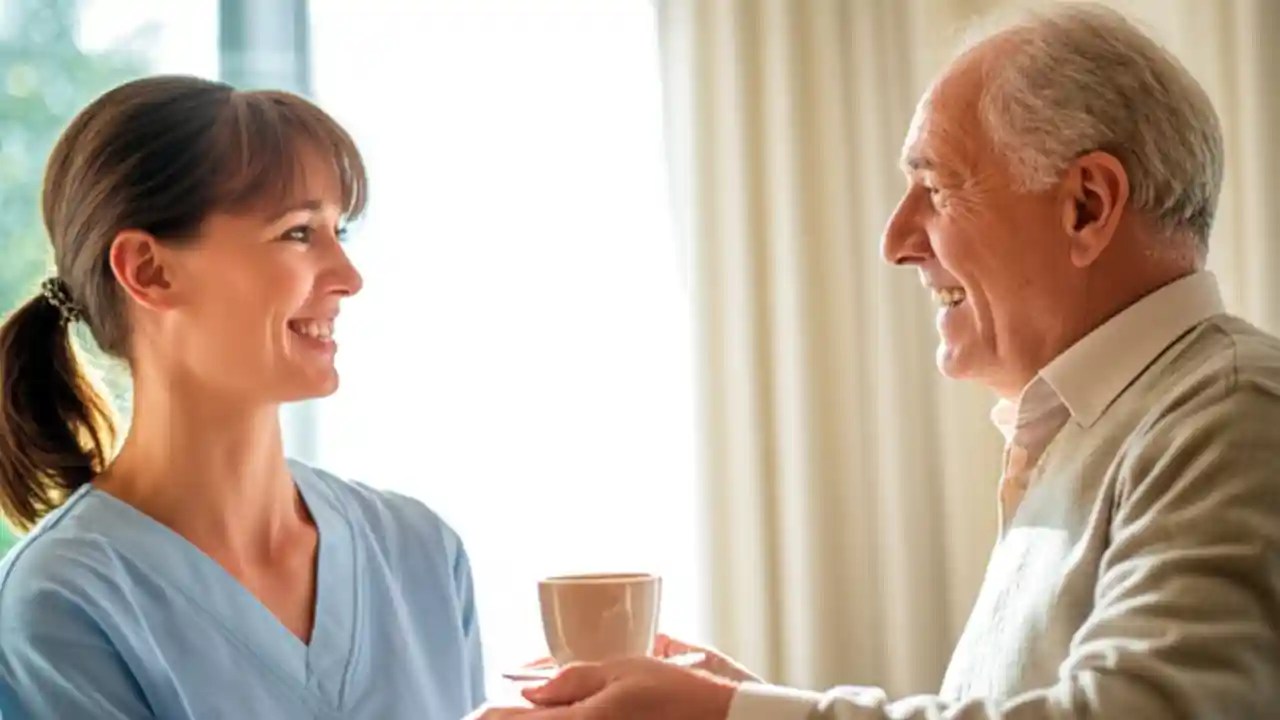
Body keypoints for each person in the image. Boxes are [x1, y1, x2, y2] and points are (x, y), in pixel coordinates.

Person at [474, 3, 1280, 719]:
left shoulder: (1231, 413)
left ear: (1087, 207)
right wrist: (743, 704)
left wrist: (738, 718)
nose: (895, 240)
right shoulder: (1091, 435)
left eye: (935, 187)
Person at [0, 76, 485, 719]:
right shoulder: (60, 603)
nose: (348, 276)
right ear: (149, 269)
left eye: (340, 230)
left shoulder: (420, 553)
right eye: (299, 232)